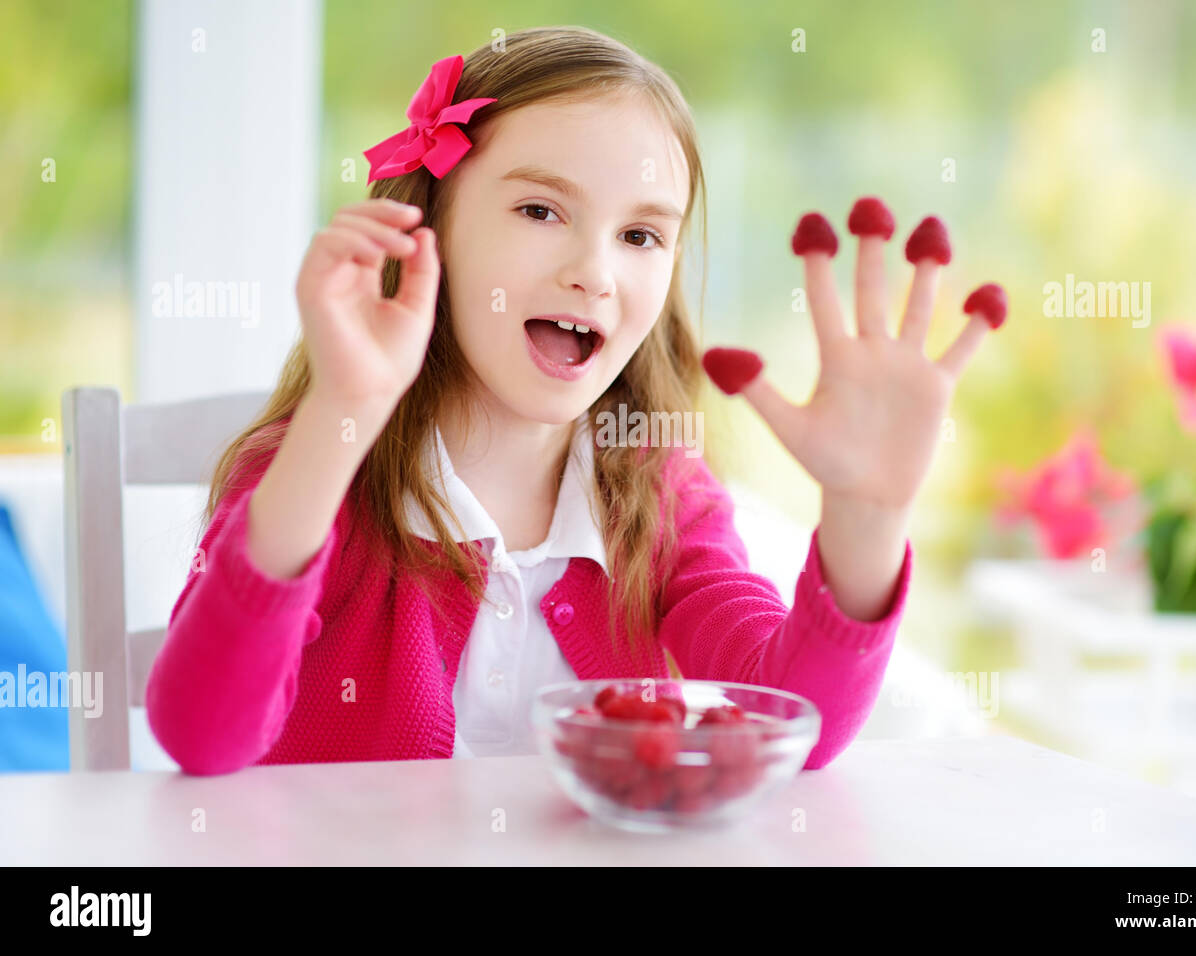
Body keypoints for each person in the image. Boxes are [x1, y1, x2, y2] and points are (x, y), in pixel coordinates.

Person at [145, 25, 1002, 775]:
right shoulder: (306, 473)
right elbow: (201, 736)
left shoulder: (662, 492)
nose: (594, 271)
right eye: (541, 209)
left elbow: (789, 722)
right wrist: (341, 416)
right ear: (427, 227)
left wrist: (865, 517)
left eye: (640, 235)